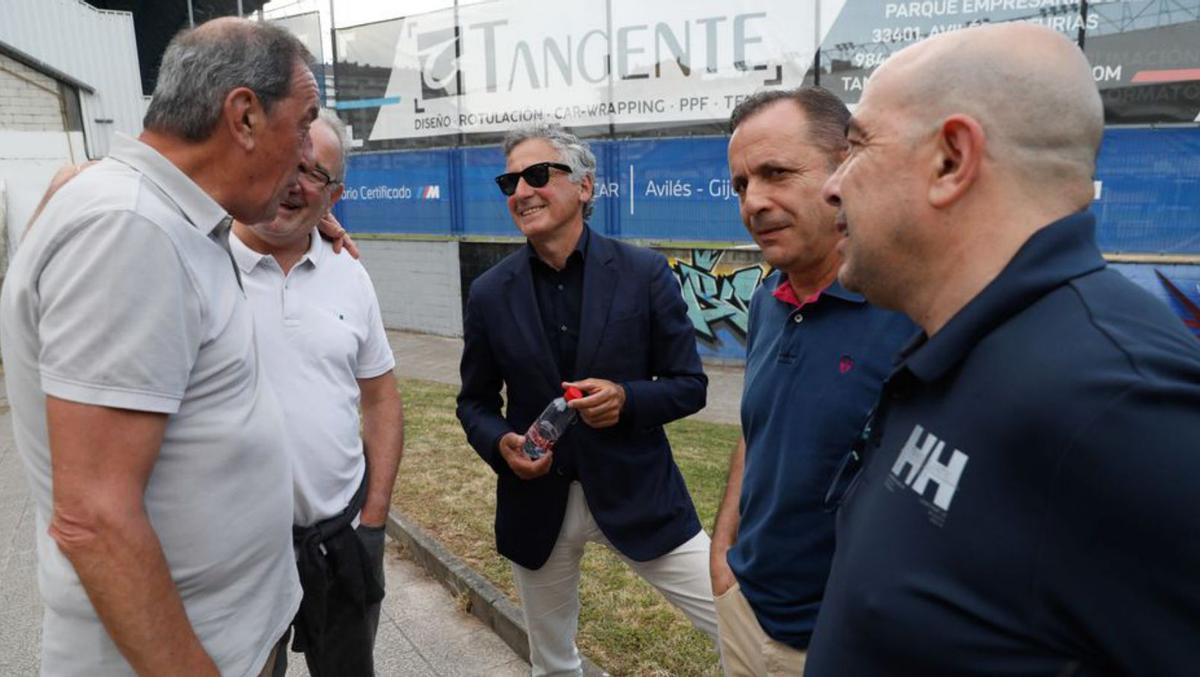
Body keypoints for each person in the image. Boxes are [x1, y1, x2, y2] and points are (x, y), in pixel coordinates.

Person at [808, 23, 1200, 675]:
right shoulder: (963, 336)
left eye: (856, 146)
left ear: (952, 160)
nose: (832, 186)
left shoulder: (1119, 403)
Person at [0, 18, 318, 677]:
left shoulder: (162, 212)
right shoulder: (128, 230)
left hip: (232, 632)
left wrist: (310, 212)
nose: (310, 152)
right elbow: (94, 517)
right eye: (306, 120)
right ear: (245, 116)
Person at [455, 122, 718, 675]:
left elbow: (688, 384)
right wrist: (499, 442)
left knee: (737, 619)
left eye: (536, 175)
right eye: (510, 182)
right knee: (551, 663)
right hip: (536, 504)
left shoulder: (644, 273)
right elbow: (473, 402)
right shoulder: (489, 293)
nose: (522, 191)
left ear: (585, 186)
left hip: (638, 494)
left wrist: (628, 398)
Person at [708, 88, 914, 675]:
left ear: (846, 168)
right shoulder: (766, 300)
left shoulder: (913, 310)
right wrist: (724, 552)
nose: (754, 202)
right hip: (746, 613)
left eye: (776, 173)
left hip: (852, 643)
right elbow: (758, 428)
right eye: (741, 185)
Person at [228, 108, 403, 676]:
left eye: (313, 173)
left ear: (335, 195)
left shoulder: (349, 272)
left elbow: (380, 397)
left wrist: (373, 521)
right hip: (237, 554)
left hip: (340, 538)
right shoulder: (198, 257)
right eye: (285, 163)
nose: (293, 182)